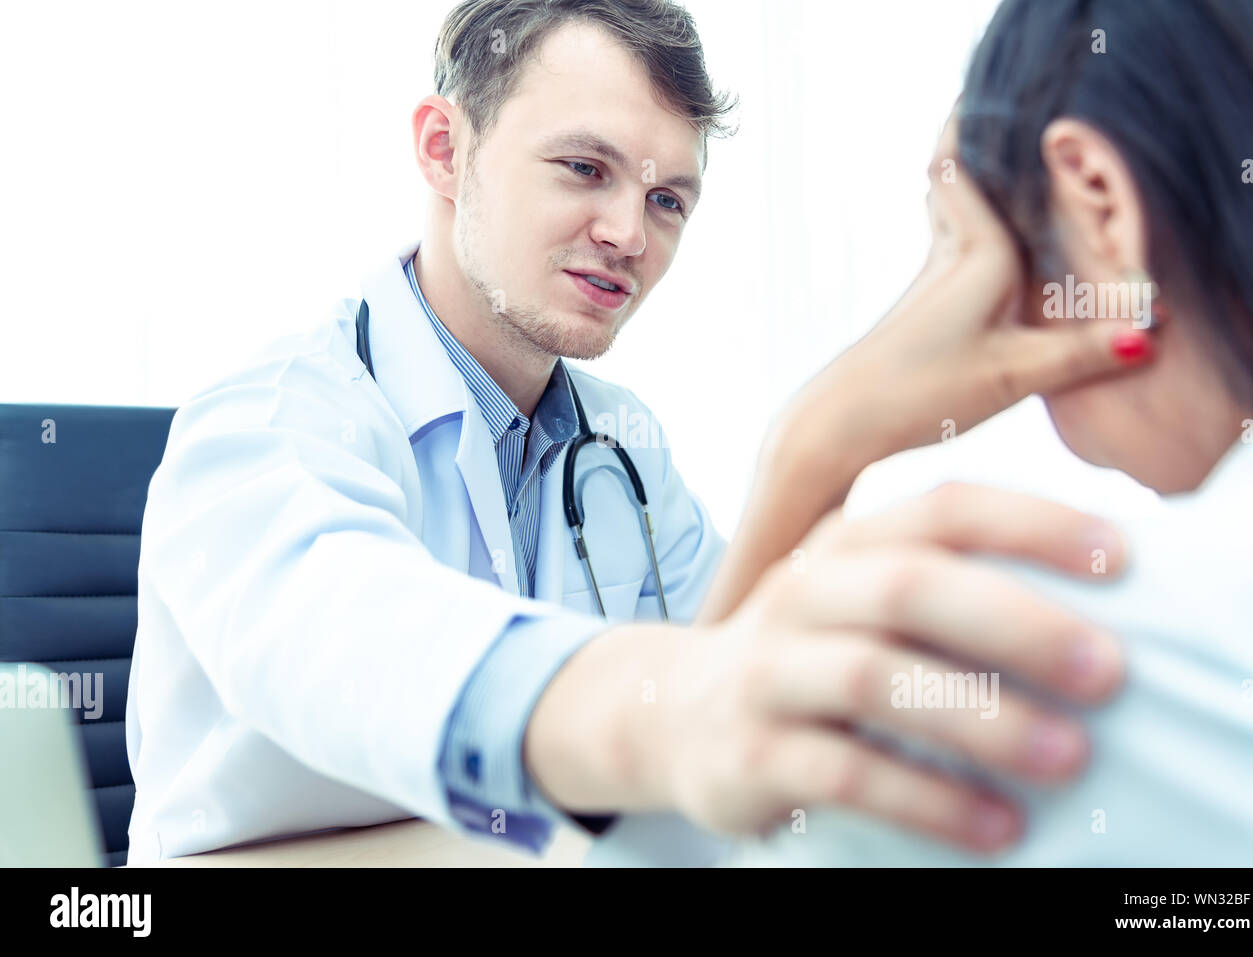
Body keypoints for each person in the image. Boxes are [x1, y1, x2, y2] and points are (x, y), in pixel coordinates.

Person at [125, 0, 1149, 864]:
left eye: (667, 199)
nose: (629, 234)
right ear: (445, 149)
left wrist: (830, 446)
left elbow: (738, 690)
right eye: (583, 168)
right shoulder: (268, 424)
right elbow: (366, 652)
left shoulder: (620, 446)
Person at [714, 0, 1253, 867]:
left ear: (1098, 202)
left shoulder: (1056, 662)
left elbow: (694, 828)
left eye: (1005, 279)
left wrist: (815, 443)